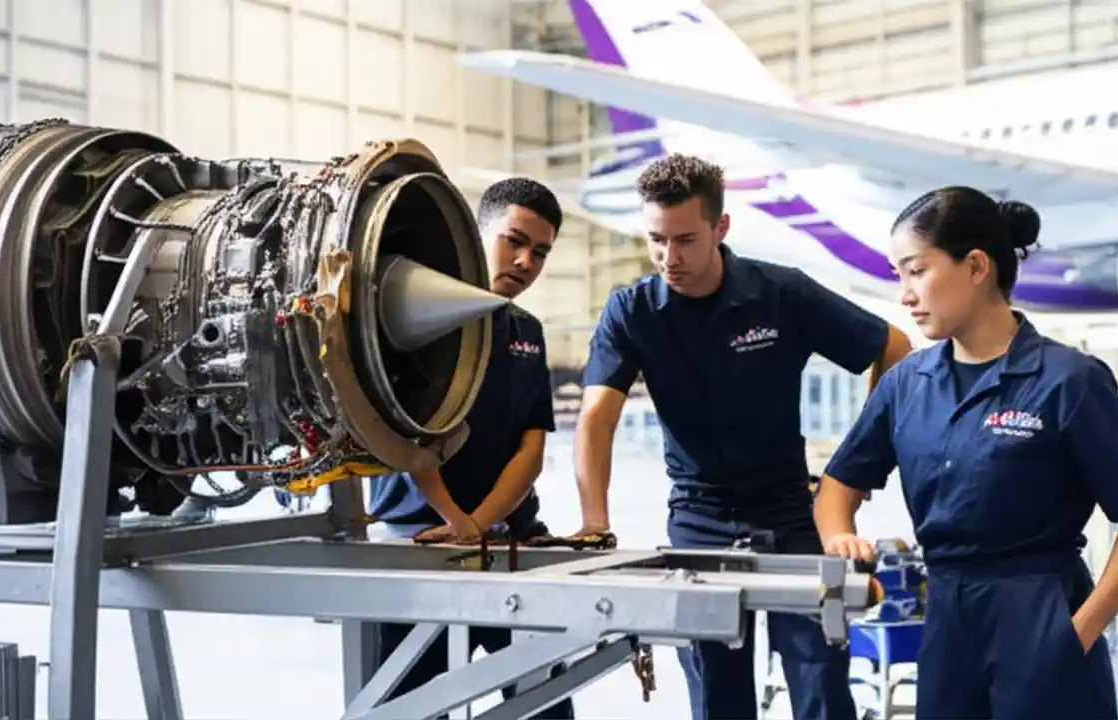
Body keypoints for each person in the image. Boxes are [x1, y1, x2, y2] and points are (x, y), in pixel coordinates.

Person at [573, 153, 913, 720]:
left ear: (720, 227)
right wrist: (594, 522)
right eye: (656, 239)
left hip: (789, 512)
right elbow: (596, 418)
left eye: (684, 239)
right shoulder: (633, 312)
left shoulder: (781, 294)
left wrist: (854, 467)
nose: (668, 257)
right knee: (716, 698)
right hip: (697, 518)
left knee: (821, 687)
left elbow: (893, 348)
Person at [814, 186, 1118, 719]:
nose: (905, 295)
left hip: (1043, 610)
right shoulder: (907, 383)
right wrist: (838, 534)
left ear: (976, 265)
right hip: (947, 622)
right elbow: (838, 485)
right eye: (898, 276)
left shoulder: (1068, 382)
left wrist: (1078, 633)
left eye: (916, 271)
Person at [365, 177, 574, 718]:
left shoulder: (526, 330)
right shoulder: (412, 317)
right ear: (476, 232)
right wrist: (454, 519)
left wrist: (476, 524)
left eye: (541, 252)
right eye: (514, 240)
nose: (526, 261)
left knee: (544, 706)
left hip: (504, 543)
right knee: (407, 707)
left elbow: (532, 447)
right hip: (422, 541)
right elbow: (406, 435)